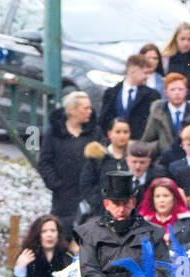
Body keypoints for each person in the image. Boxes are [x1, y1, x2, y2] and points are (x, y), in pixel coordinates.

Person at [37, 91, 100, 245]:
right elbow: (45, 162)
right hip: (63, 195)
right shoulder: (54, 133)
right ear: (72, 110)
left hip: (88, 194)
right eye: (85, 108)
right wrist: (56, 184)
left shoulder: (95, 132)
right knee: (62, 237)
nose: (89, 112)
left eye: (90, 108)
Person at [142, 73, 190, 158]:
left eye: (180, 89)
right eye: (173, 89)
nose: (177, 93)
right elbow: (147, 141)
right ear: (166, 92)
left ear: (186, 91)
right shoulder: (158, 112)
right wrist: (160, 145)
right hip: (163, 160)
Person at [80, 117, 132, 217]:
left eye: (125, 132)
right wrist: (99, 202)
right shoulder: (97, 157)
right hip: (102, 211)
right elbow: (86, 183)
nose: (122, 136)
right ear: (109, 133)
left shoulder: (134, 157)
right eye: (118, 132)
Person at [100, 55, 160, 138]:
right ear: (132, 72)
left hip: (139, 146)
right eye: (145, 73)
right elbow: (104, 121)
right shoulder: (111, 93)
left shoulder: (152, 95)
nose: (147, 76)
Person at [139, 176, 190, 245]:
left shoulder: (187, 220)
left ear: (174, 198)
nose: (161, 200)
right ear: (152, 199)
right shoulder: (143, 222)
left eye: (166, 196)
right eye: (157, 196)